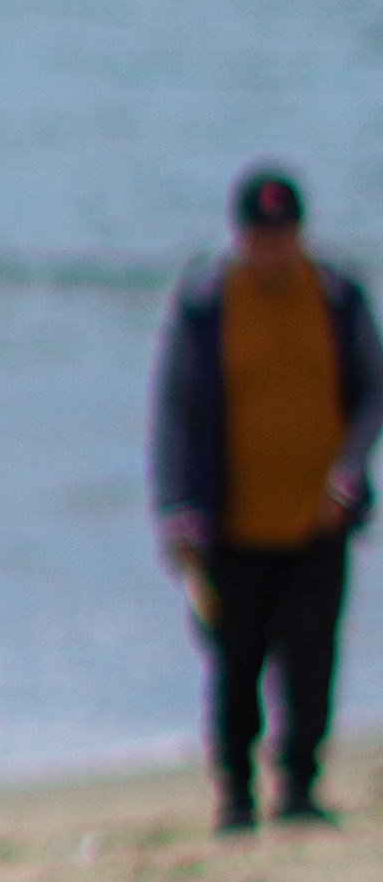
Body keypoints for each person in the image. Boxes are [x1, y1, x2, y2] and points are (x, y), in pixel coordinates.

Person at [149, 166, 381, 835]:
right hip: (232, 525)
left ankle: (301, 786)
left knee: (311, 658)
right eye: (260, 236)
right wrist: (177, 510)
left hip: (318, 519)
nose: (272, 248)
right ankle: (235, 794)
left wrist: (350, 472)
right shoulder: (208, 305)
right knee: (235, 664)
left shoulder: (336, 297)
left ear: (300, 235)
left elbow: (372, 392)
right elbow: (177, 414)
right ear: (240, 235)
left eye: (282, 236)